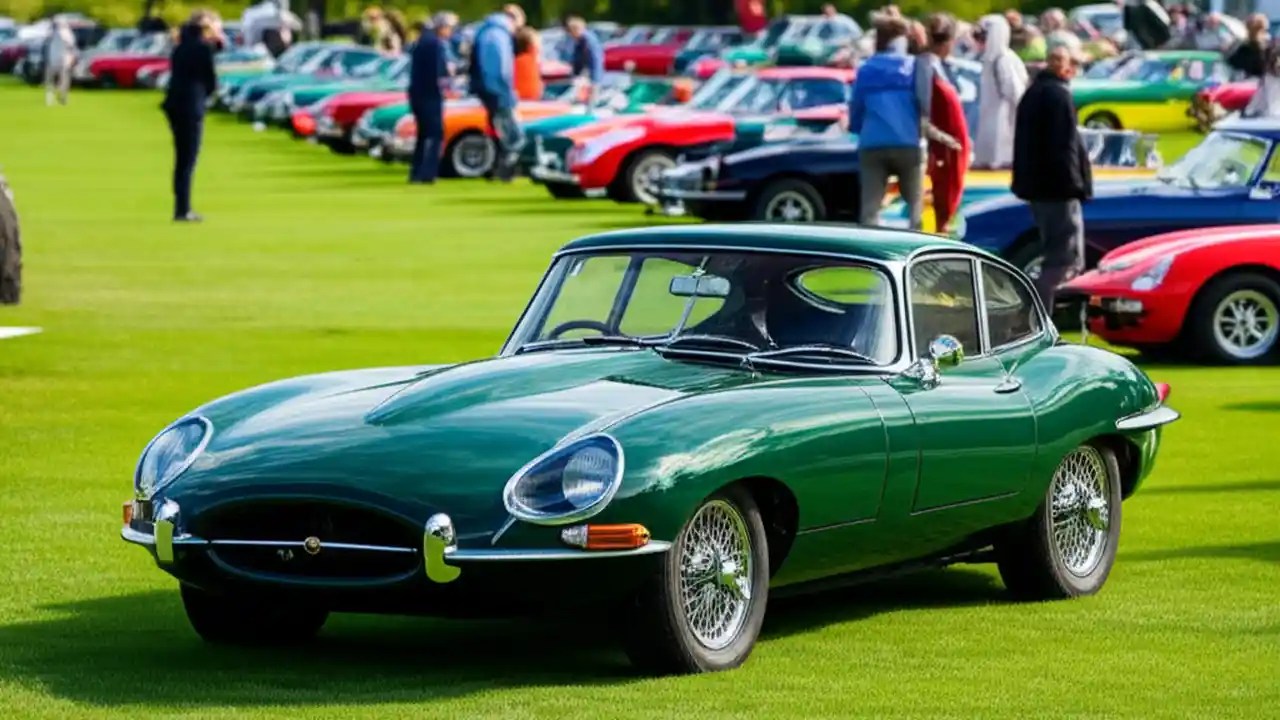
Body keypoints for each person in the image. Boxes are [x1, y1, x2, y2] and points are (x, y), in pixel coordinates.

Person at [1012, 46, 1093, 311]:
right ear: (1064, 67)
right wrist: (1076, 186)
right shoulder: (1058, 96)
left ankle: (1037, 311)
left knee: (1052, 254)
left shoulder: (1033, 93)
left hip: (1038, 189)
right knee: (1065, 260)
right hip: (1058, 189)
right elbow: (1065, 148)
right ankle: (1042, 315)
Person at [849, 17, 923, 229]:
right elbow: (923, 104)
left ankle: (869, 245)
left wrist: (856, 128)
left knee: (870, 209)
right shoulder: (913, 67)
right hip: (907, 142)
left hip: (872, 143)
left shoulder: (866, 70)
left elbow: (856, 108)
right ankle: (917, 243)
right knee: (915, 206)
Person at [162, 12, 219, 222]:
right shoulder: (202, 48)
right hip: (191, 106)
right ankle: (183, 209)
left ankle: (181, 206)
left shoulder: (180, 47)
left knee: (181, 159)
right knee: (188, 158)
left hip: (175, 104)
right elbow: (210, 80)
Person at [916, 13, 969, 233]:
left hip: (948, 138)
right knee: (942, 188)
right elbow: (924, 104)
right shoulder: (927, 65)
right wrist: (938, 137)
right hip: (942, 140)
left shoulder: (935, 64)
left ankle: (943, 227)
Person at [469, 5, 525, 181]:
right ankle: (505, 171)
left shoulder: (486, 31)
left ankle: (494, 168)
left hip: (487, 90)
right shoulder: (498, 34)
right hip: (497, 91)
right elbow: (500, 70)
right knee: (512, 135)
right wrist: (508, 94)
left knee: (496, 130)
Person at [973, 14, 1027, 170]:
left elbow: (1015, 92)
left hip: (1003, 116)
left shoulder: (1004, 59)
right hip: (990, 114)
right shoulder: (989, 60)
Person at [408, 12, 456, 184]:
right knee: (435, 134)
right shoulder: (435, 44)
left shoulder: (422, 41)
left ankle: (417, 172)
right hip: (430, 95)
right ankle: (428, 173)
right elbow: (438, 73)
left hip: (417, 94)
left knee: (422, 135)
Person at [564, 16, 603, 106]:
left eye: (570, 31)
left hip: (590, 76)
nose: (570, 34)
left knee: (590, 99)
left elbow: (595, 60)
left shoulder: (588, 41)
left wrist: (595, 80)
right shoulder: (581, 40)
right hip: (586, 75)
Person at [42, 17, 76, 106]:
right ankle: (57, 98)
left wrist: (71, 57)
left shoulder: (58, 33)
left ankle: (56, 98)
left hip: (60, 60)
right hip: (58, 60)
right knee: (60, 80)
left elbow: (71, 47)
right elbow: (71, 47)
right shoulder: (56, 33)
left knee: (56, 80)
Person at [1228, 13, 1269, 78]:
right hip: (1260, 81)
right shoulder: (1268, 48)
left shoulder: (1244, 47)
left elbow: (1232, 63)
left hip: (1246, 81)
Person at [514, 26, 544, 101]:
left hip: (522, 100)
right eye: (538, 42)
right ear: (530, 45)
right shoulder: (529, 60)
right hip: (529, 100)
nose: (540, 45)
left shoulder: (516, 61)